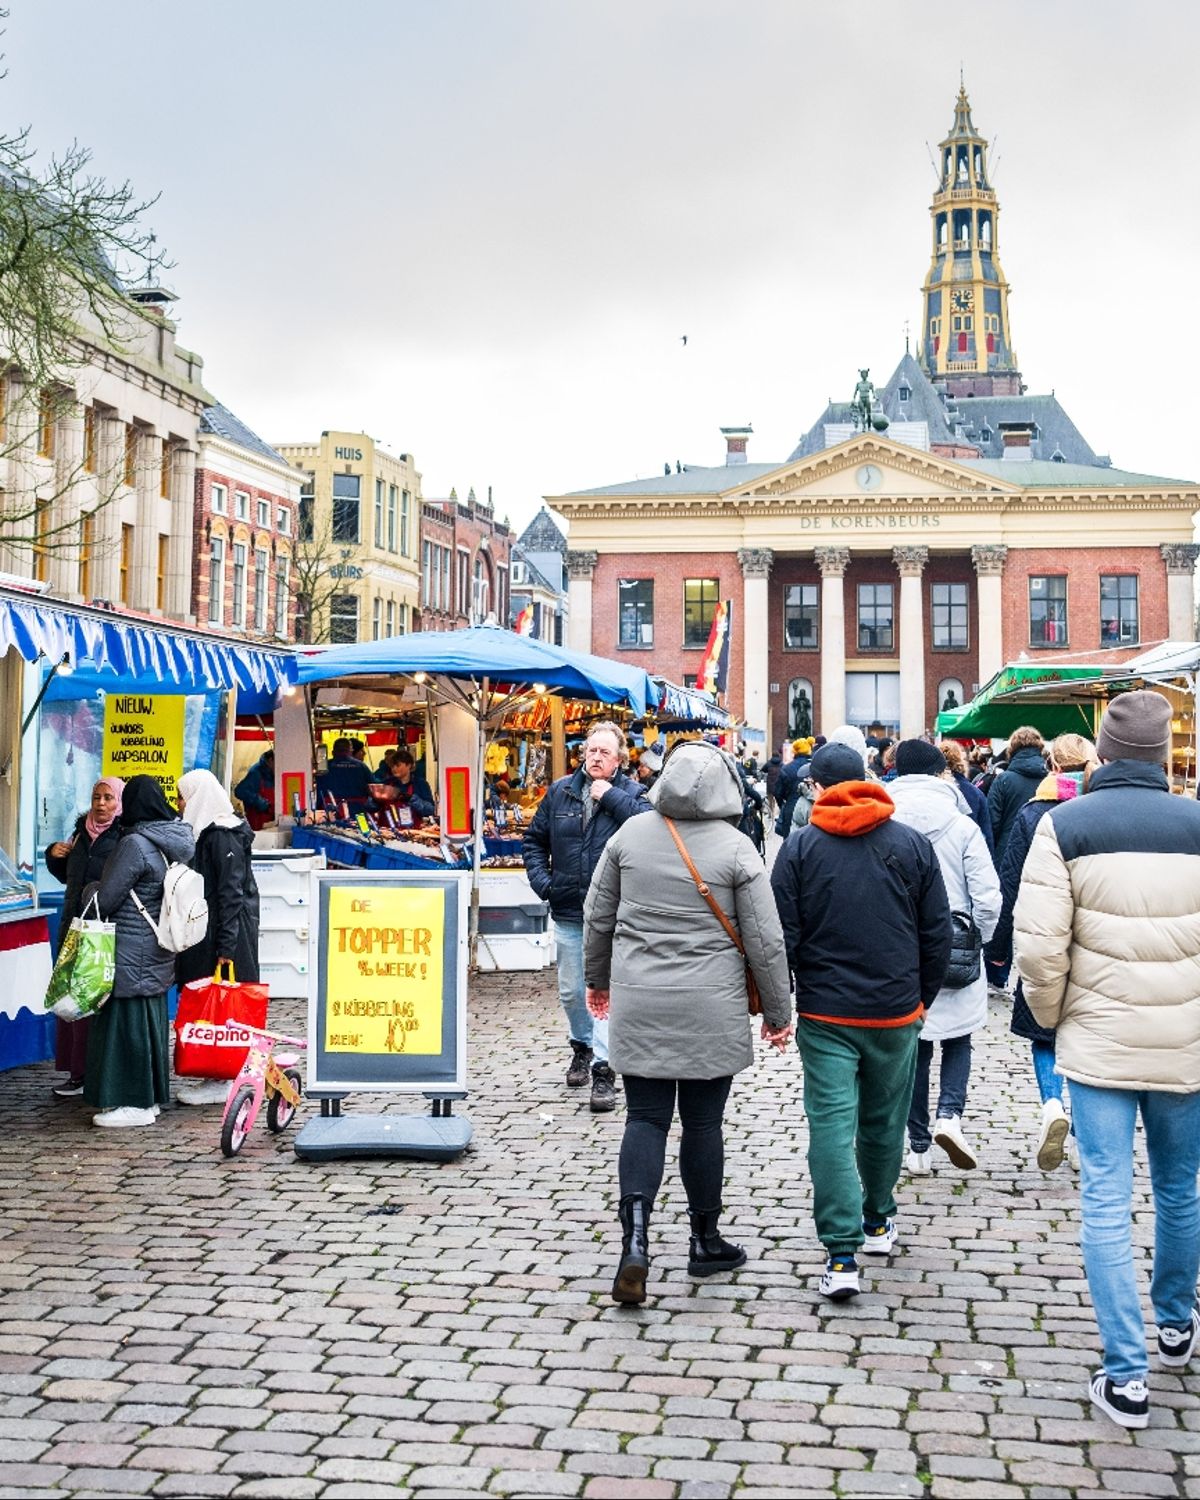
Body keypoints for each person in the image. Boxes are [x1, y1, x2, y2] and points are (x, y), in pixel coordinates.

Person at [1014, 691, 1200, 1431]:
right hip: (1184, 1044)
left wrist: (1057, 1020)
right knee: (1181, 1188)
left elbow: (1037, 949)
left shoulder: (1066, 824)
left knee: (1105, 1202)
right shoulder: (1197, 824)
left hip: (1097, 1044)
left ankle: (1125, 1374)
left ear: (1106, 752)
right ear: (1161, 756)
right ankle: (1177, 1323)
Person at [582, 741, 793, 1304]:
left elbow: (597, 914)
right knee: (703, 1125)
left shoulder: (629, 837)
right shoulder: (738, 848)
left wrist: (597, 979)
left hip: (641, 1001)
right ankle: (704, 1240)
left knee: (645, 1119)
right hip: (711, 1007)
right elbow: (766, 943)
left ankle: (636, 1241)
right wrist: (778, 1014)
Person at [771, 743, 951, 1301]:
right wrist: (917, 998)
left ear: (818, 788)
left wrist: (790, 999)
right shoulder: (911, 843)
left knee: (829, 1125)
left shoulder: (800, 847)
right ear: (869, 780)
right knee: (883, 1121)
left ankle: (841, 1254)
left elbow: (782, 937)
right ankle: (877, 1222)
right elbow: (937, 934)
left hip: (826, 1012)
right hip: (895, 1011)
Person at [523, 720, 649, 1112]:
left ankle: (603, 1070)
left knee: (604, 996)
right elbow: (533, 841)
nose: (595, 757)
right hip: (569, 911)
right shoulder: (560, 792)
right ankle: (581, 1045)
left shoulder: (631, 794)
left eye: (604, 752)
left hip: (615, 916)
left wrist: (610, 797)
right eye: (591, 750)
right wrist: (546, 884)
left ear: (619, 760)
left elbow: (649, 830)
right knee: (572, 992)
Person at [888, 741, 1001, 1175]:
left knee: (914, 1044)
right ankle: (950, 1115)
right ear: (942, 775)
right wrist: (980, 938)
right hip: (955, 941)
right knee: (958, 1036)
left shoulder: (883, 821)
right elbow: (988, 896)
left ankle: (917, 1145)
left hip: (900, 946)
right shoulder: (962, 824)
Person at [987, 732, 1097, 1171]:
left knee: (1043, 1031)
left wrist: (997, 947)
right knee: (1089, 1038)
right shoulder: (1100, 810)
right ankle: (1088, 1135)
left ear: (1053, 767)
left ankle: (1053, 1104)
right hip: (1096, 944)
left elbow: (1010, 881)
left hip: (1045, 938)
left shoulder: (1034, 813)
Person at [86, 775, 195, 1128]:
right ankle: (149, 1098)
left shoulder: (134, 844)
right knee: (147, 1024)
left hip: (129, 950)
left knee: (124, 1026)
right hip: (156, 947)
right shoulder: (167, 841)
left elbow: (106, 899)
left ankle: (133, 1102)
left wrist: (88, 890)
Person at [173, 769, 263, 1106]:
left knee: (223, 1007)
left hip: (224, 936)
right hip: (216, 932)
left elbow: (231, 892)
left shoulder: (221, 835)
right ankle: (217, 1072)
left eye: (184, 797)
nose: (180, 804)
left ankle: (225, 1075)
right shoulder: (210, 832)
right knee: (212, 1007)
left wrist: (226, 946)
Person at [45, 776, 125, 1098]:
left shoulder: (123, 837)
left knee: (96, 1004)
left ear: (118, 802)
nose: (102, 804)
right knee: (73, 1003)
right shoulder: (80, 833)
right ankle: (77, 1073)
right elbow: (69, 877)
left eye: (108, 797)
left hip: (103, 933)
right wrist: (54, 855)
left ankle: (95, 1073)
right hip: (73, 929)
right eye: (97, 797)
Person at [987, 726, 1046, 863]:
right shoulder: (1050, 779)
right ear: (1039, 748)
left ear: (1012, 750)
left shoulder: (1003, 780)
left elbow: (992, 823)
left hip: (1007, 853)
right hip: (1041, 853)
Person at [937, 739, 995, 858]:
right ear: (961, 761)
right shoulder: (975, 793)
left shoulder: (931, 791)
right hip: (969, 856)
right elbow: (986, 837)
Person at [316, 737, 375, 810]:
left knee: (332, 822)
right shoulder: (362, 766)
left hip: (332, 812)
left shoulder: (323, 767)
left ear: (333, 752)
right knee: (362, 822)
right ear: (350, 751)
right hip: (359, 811)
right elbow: (373, 788)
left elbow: (317, 791)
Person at [385, 748, 435, 825]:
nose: (394, 768)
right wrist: (374, 801)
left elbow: (430, 809)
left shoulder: (420, 784)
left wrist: (412, 799)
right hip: (390, 831)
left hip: (415, 830)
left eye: (398, 765)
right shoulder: (387, 783)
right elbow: (371, 808)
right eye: (392, 766)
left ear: (409, 765)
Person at [234, 750, 275, 830]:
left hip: (269, 823)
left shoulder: (272, 774)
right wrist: (259, 801)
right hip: (256, 823)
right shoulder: (256, 772)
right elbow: (239, 791)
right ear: (270, 760)